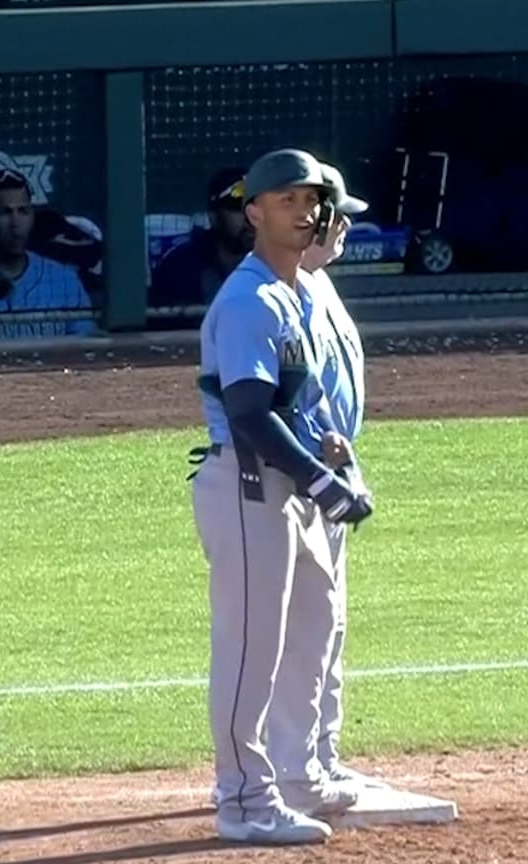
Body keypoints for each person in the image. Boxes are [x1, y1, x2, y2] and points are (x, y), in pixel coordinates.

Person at [189, 148, 373, 846]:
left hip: (285, 486)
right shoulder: (249, 298)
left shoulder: (298, 291)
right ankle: (242, 799)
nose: (305, 212)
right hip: (248, 486)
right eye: (288, 200)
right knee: (250, 650)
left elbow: (298, 403)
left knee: (311, 629)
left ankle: (297, 778)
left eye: (312, 201)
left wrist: (332, 456)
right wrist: (319, 478)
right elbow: (249, 412)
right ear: (254, 211)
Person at [264, 161, 389, 795]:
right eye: (340, 218)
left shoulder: (320, 286)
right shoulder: (285, 293)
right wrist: (321, 461)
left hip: (335, 470)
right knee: (305, 626)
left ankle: (322, 753)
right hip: (301, 475)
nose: (345, 231)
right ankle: (293, 767)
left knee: (330, 621)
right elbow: (284, 399)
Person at [0, 169, 97, 339]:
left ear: (32, 216)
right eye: (5, 212)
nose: (15, 223)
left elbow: (85, 345)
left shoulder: (63, 280)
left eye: (23, 211)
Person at [149, 167, 252, 322]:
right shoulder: (180, 268)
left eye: (256, 207)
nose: (249, 218)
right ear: (213, 217)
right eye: (237, 208)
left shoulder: (279, 263)